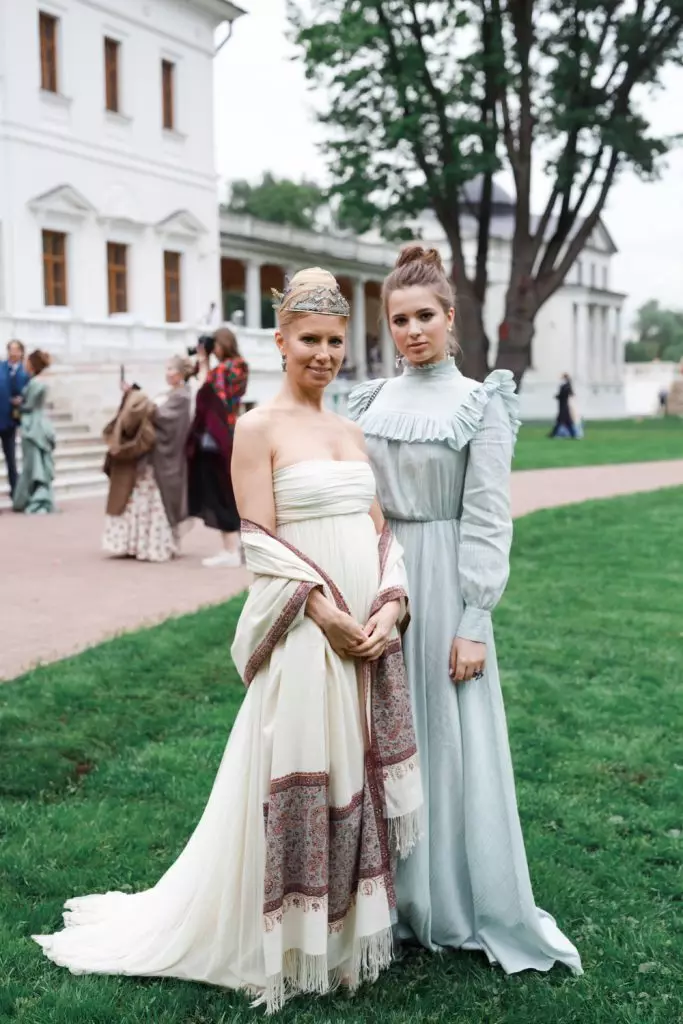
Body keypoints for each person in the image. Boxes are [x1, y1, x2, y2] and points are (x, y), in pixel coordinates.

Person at [33, 268, 423, 1012]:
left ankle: (343, 940)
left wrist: (389, 606)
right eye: (309, 339)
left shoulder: (349, 430)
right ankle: (284, 938)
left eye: (335, 341)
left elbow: (380, 535)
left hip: (365, 631)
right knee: (307, 773)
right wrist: (325, 613)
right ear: (278, 342)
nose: (323, 354)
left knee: (353, 777)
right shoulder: (257, 427)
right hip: (309, 630)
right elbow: (262, 544)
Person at [348, 246, 582, 977]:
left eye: (425, 317)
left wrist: (473, 618)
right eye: (399, 320)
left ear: (450, 320)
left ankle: (446, 901)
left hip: (446, 582)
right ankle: (386, 897)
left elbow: (486, 515)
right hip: (379, 581)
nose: (412, 331)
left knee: (448, 741)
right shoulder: (368, 400)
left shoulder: (481, 401)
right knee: (381, 738)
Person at [102, 355, 193, 562]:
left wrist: (137, 397)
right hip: (151, 459)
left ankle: (155, 545)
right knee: (142, 499)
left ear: (180, 374)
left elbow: (159, 417)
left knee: (156, 502)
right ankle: (138, 544)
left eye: (171, 369)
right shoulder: (170, 393)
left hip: (163, 460)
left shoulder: (182, 397)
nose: (167, 372)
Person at [187, 327, 248, 568]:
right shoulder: (241, 366)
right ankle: (239, 545)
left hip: (218, 439)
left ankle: (230, 549)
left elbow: (206, 392)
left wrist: (203, 361)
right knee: (232, 492)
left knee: (221, 493)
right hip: (233, 435)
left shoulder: (224, 369)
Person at [12, 350, 56, 514]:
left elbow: (28, 406)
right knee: (38, 463)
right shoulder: (38, 382)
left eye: (27, 362)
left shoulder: (35, 383)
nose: (24, 364)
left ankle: (36, 499)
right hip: (39, 423)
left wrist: (17, 404)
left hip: (33, 425)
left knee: (33, 465)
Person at [0, 339, 30, 500]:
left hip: (11, 422)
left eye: (16, 350)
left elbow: (29, 395)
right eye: (10, 349)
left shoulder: (25, 372)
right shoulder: (1, 367)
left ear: (21, 352)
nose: (13, 353)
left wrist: (21, 400)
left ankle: (16, 494)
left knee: (11, 459)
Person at [549, 373, 577, 438]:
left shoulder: (565, 386)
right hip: (564, 406)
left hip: (563, 407)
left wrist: (557, 396)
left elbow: (562, 395)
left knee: (562, 422)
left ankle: (553, 434)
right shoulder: (568, 386)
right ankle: (573, 434)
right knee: (565, 422)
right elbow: (570, 394)